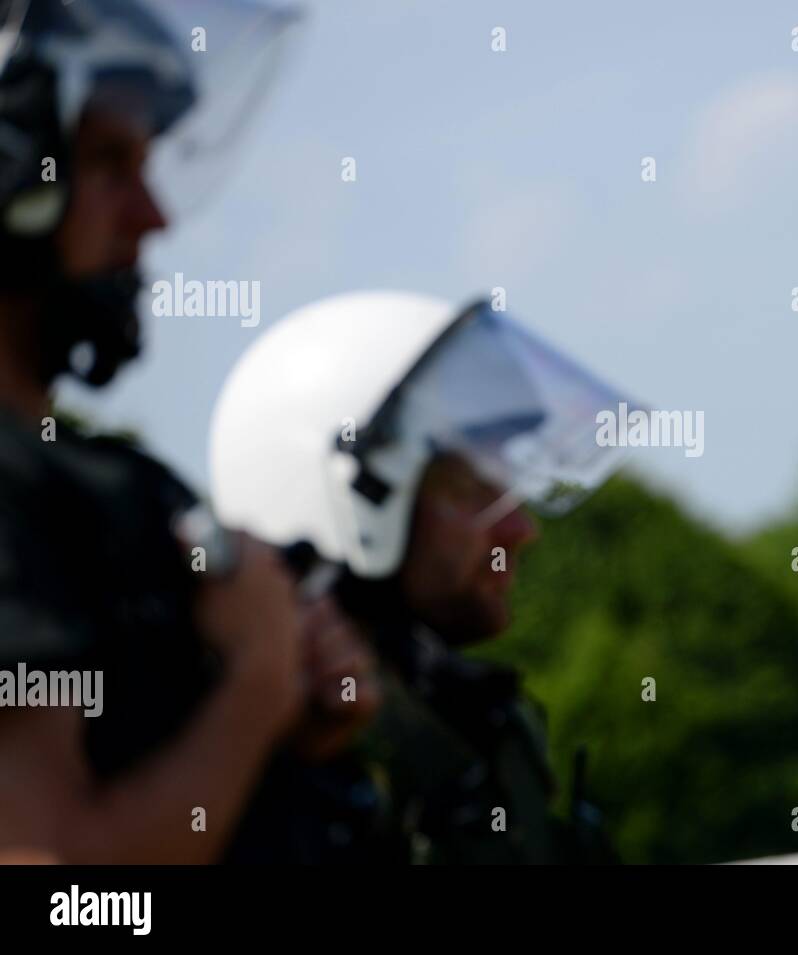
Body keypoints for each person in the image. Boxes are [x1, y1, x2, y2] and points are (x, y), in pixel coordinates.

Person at [0, 0, 376, 863]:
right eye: (109, 163)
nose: (153, 215)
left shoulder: (95, 487)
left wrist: (283, 728)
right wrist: (257, 678)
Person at [209, 291, 634, 863]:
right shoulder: (261, 771)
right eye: (471, 488)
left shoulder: (469, 727)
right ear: (359, 498)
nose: (520, 529)